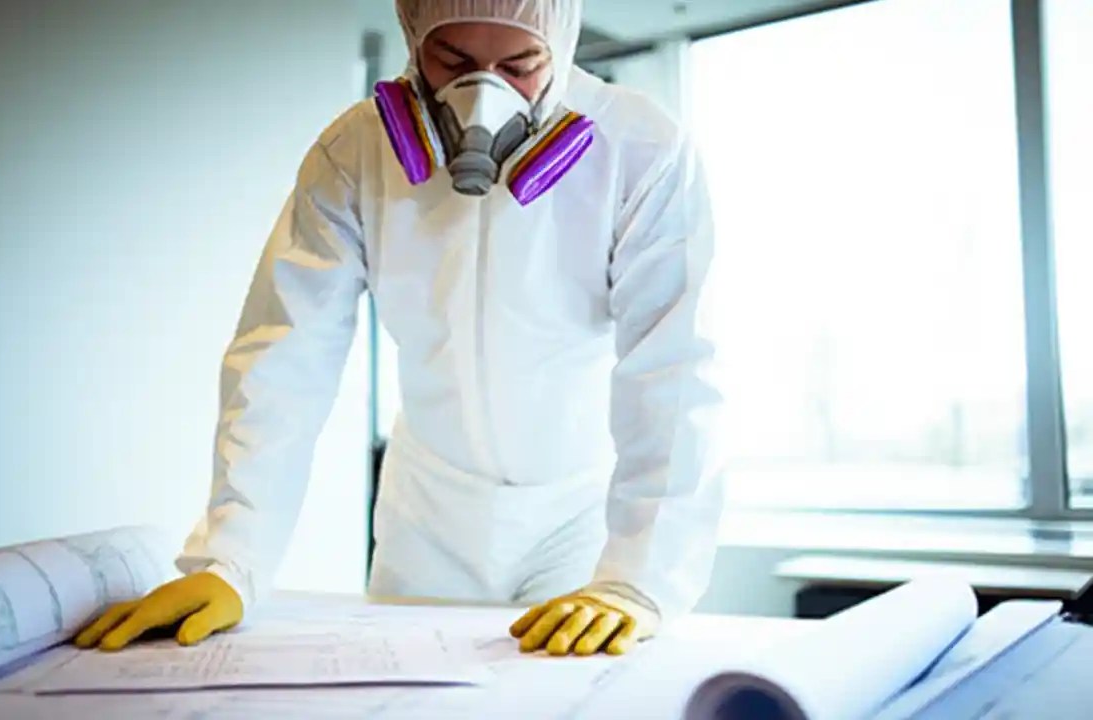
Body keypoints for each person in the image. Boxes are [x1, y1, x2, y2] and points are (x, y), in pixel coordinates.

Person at [75, 0, 722, 658]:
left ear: (559, 46)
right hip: (427, 519)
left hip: (581, 519)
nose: (483, 94)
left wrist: (638, 580)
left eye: (519, 65)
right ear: (414, 41)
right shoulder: (356, 150)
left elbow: (673, 366)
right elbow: (283, 352)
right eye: (455, 63)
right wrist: (229, 557)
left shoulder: (642, 147)